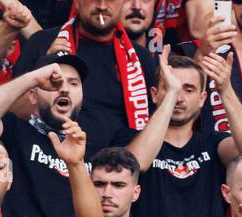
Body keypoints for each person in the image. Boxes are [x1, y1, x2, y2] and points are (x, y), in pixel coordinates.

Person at [127, 49, 242, 217]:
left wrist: (225, 90)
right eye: (170, 87)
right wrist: (171, 95)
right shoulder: (130, 138)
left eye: (188, 90)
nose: (179, 98)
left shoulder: (213, 143)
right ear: (154, 94)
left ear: (203, 98)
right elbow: (136, 164)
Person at [0, 52, 90, 217]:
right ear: (32, 95)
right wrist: (33, 79)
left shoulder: (92, 141)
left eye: (74, 83)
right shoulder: (15, 130)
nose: (64, 88)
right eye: (54, 83)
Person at [13, 0, 157, 152]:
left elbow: (150, 132)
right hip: (52, 159)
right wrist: (44, 69)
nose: (101, 6)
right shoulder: (43, 43)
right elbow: (13, 114)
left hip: (117, 168)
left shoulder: (141, 59)